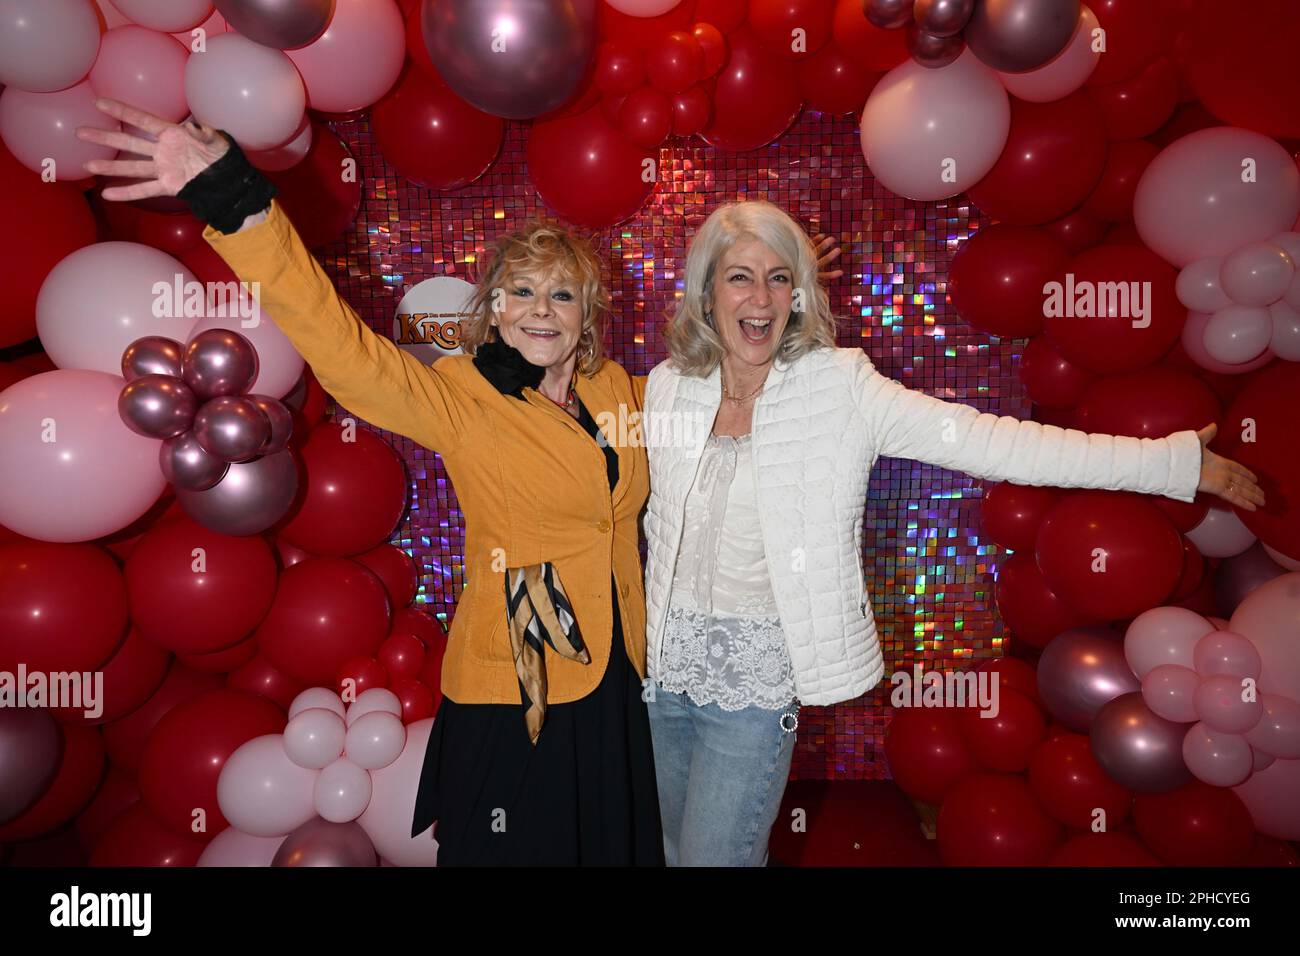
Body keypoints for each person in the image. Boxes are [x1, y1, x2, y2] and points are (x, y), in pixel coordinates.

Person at [77, 99, 664, 865]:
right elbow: (347, 354)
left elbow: (728, 398)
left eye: (562, 293)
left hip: (616, 678)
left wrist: (783, 310)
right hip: (518, 685)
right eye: (522, 291)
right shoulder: (465, 393)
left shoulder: (622, 390)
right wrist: (233, 198)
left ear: (589, 314)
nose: (541, 310)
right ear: (493, 309)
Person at [639, 199, 1266, 867]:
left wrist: (1170, 463)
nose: (759, 296)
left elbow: (995, 443)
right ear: (706, 292)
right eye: (739, 276)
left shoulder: (840, 389)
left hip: (754, 685)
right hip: (661, 675)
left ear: (799, 293)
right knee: (667, 846)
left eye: (778, 276)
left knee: (714, 859)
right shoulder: (671, 388)